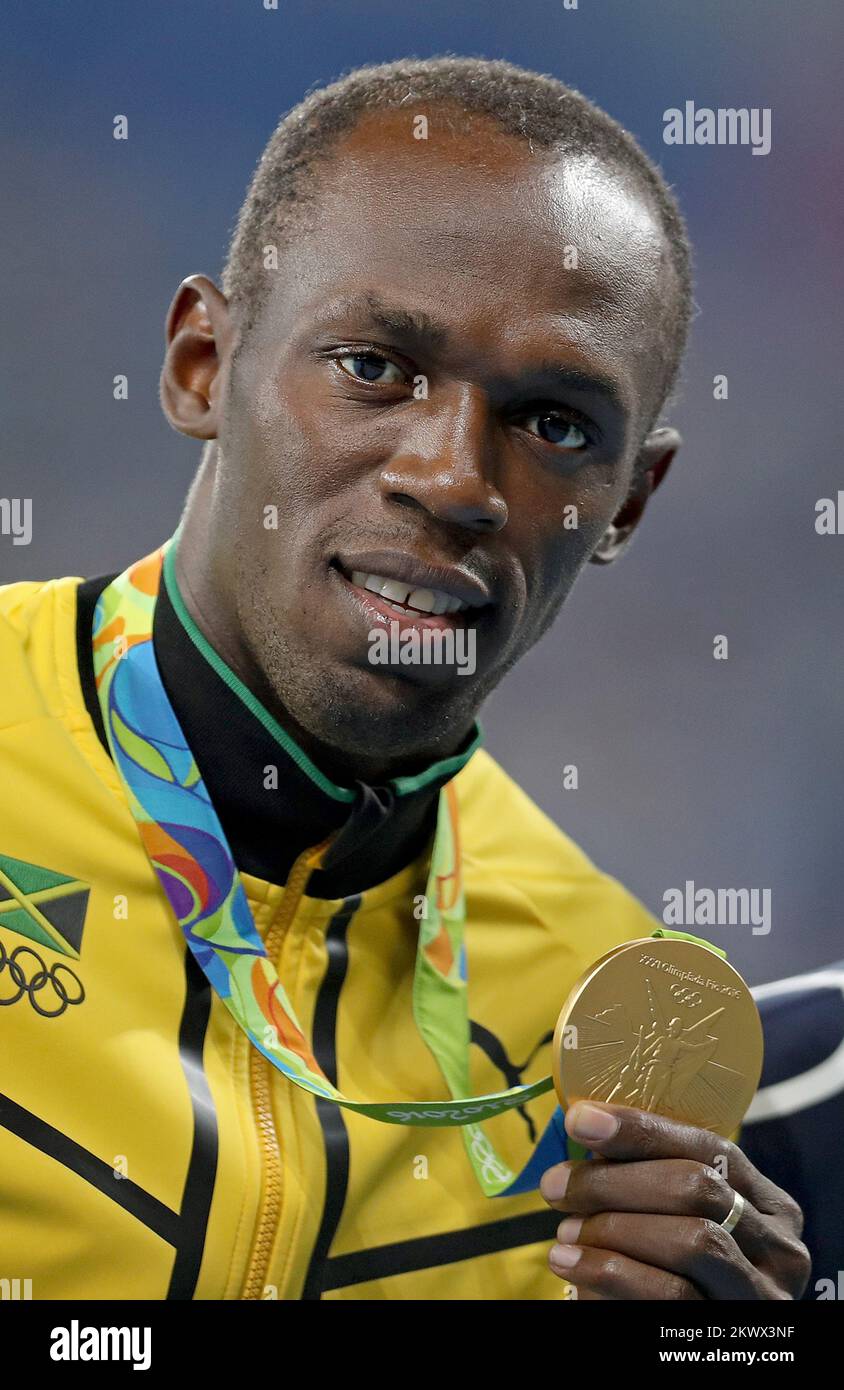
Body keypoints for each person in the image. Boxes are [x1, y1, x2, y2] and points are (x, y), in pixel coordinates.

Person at [0, 56, 809, 1300]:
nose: (455, 480)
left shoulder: (610, 1032)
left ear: (627, 502)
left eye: (553, 422)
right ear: (202, 364)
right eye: (376, 366)